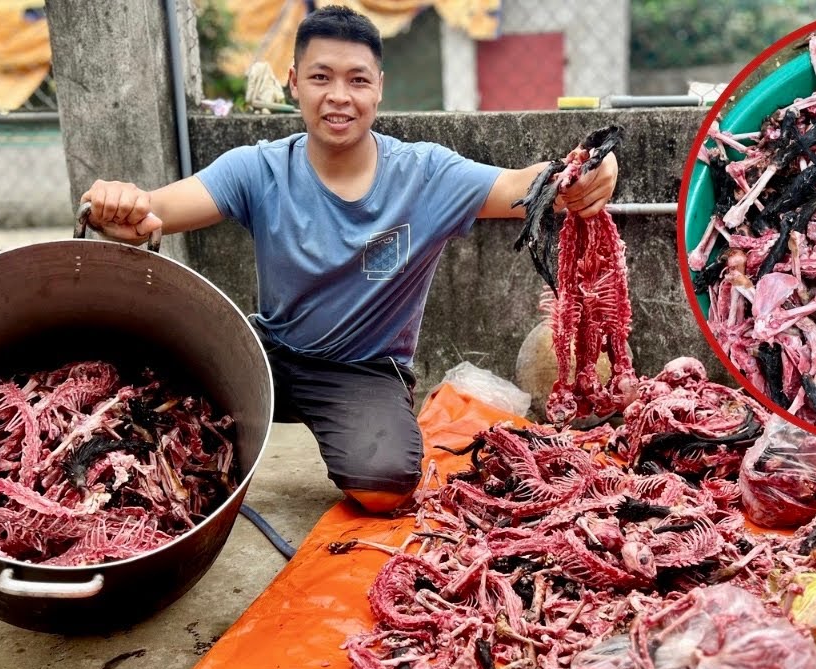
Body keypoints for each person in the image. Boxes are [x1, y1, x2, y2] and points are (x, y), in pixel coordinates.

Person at [81, 5, 618, 514]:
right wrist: (119, 204)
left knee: (385, 486)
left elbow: (523, 184)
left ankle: (357, 430)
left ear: (379, 87)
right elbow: (155, 210)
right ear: (294, 81)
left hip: (361, 370)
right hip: (267, 353)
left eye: (358, 80)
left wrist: (591, 167)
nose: (339, 96)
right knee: (139, 396)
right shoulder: (258, 169)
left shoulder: (426, 175)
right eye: (321, 78)